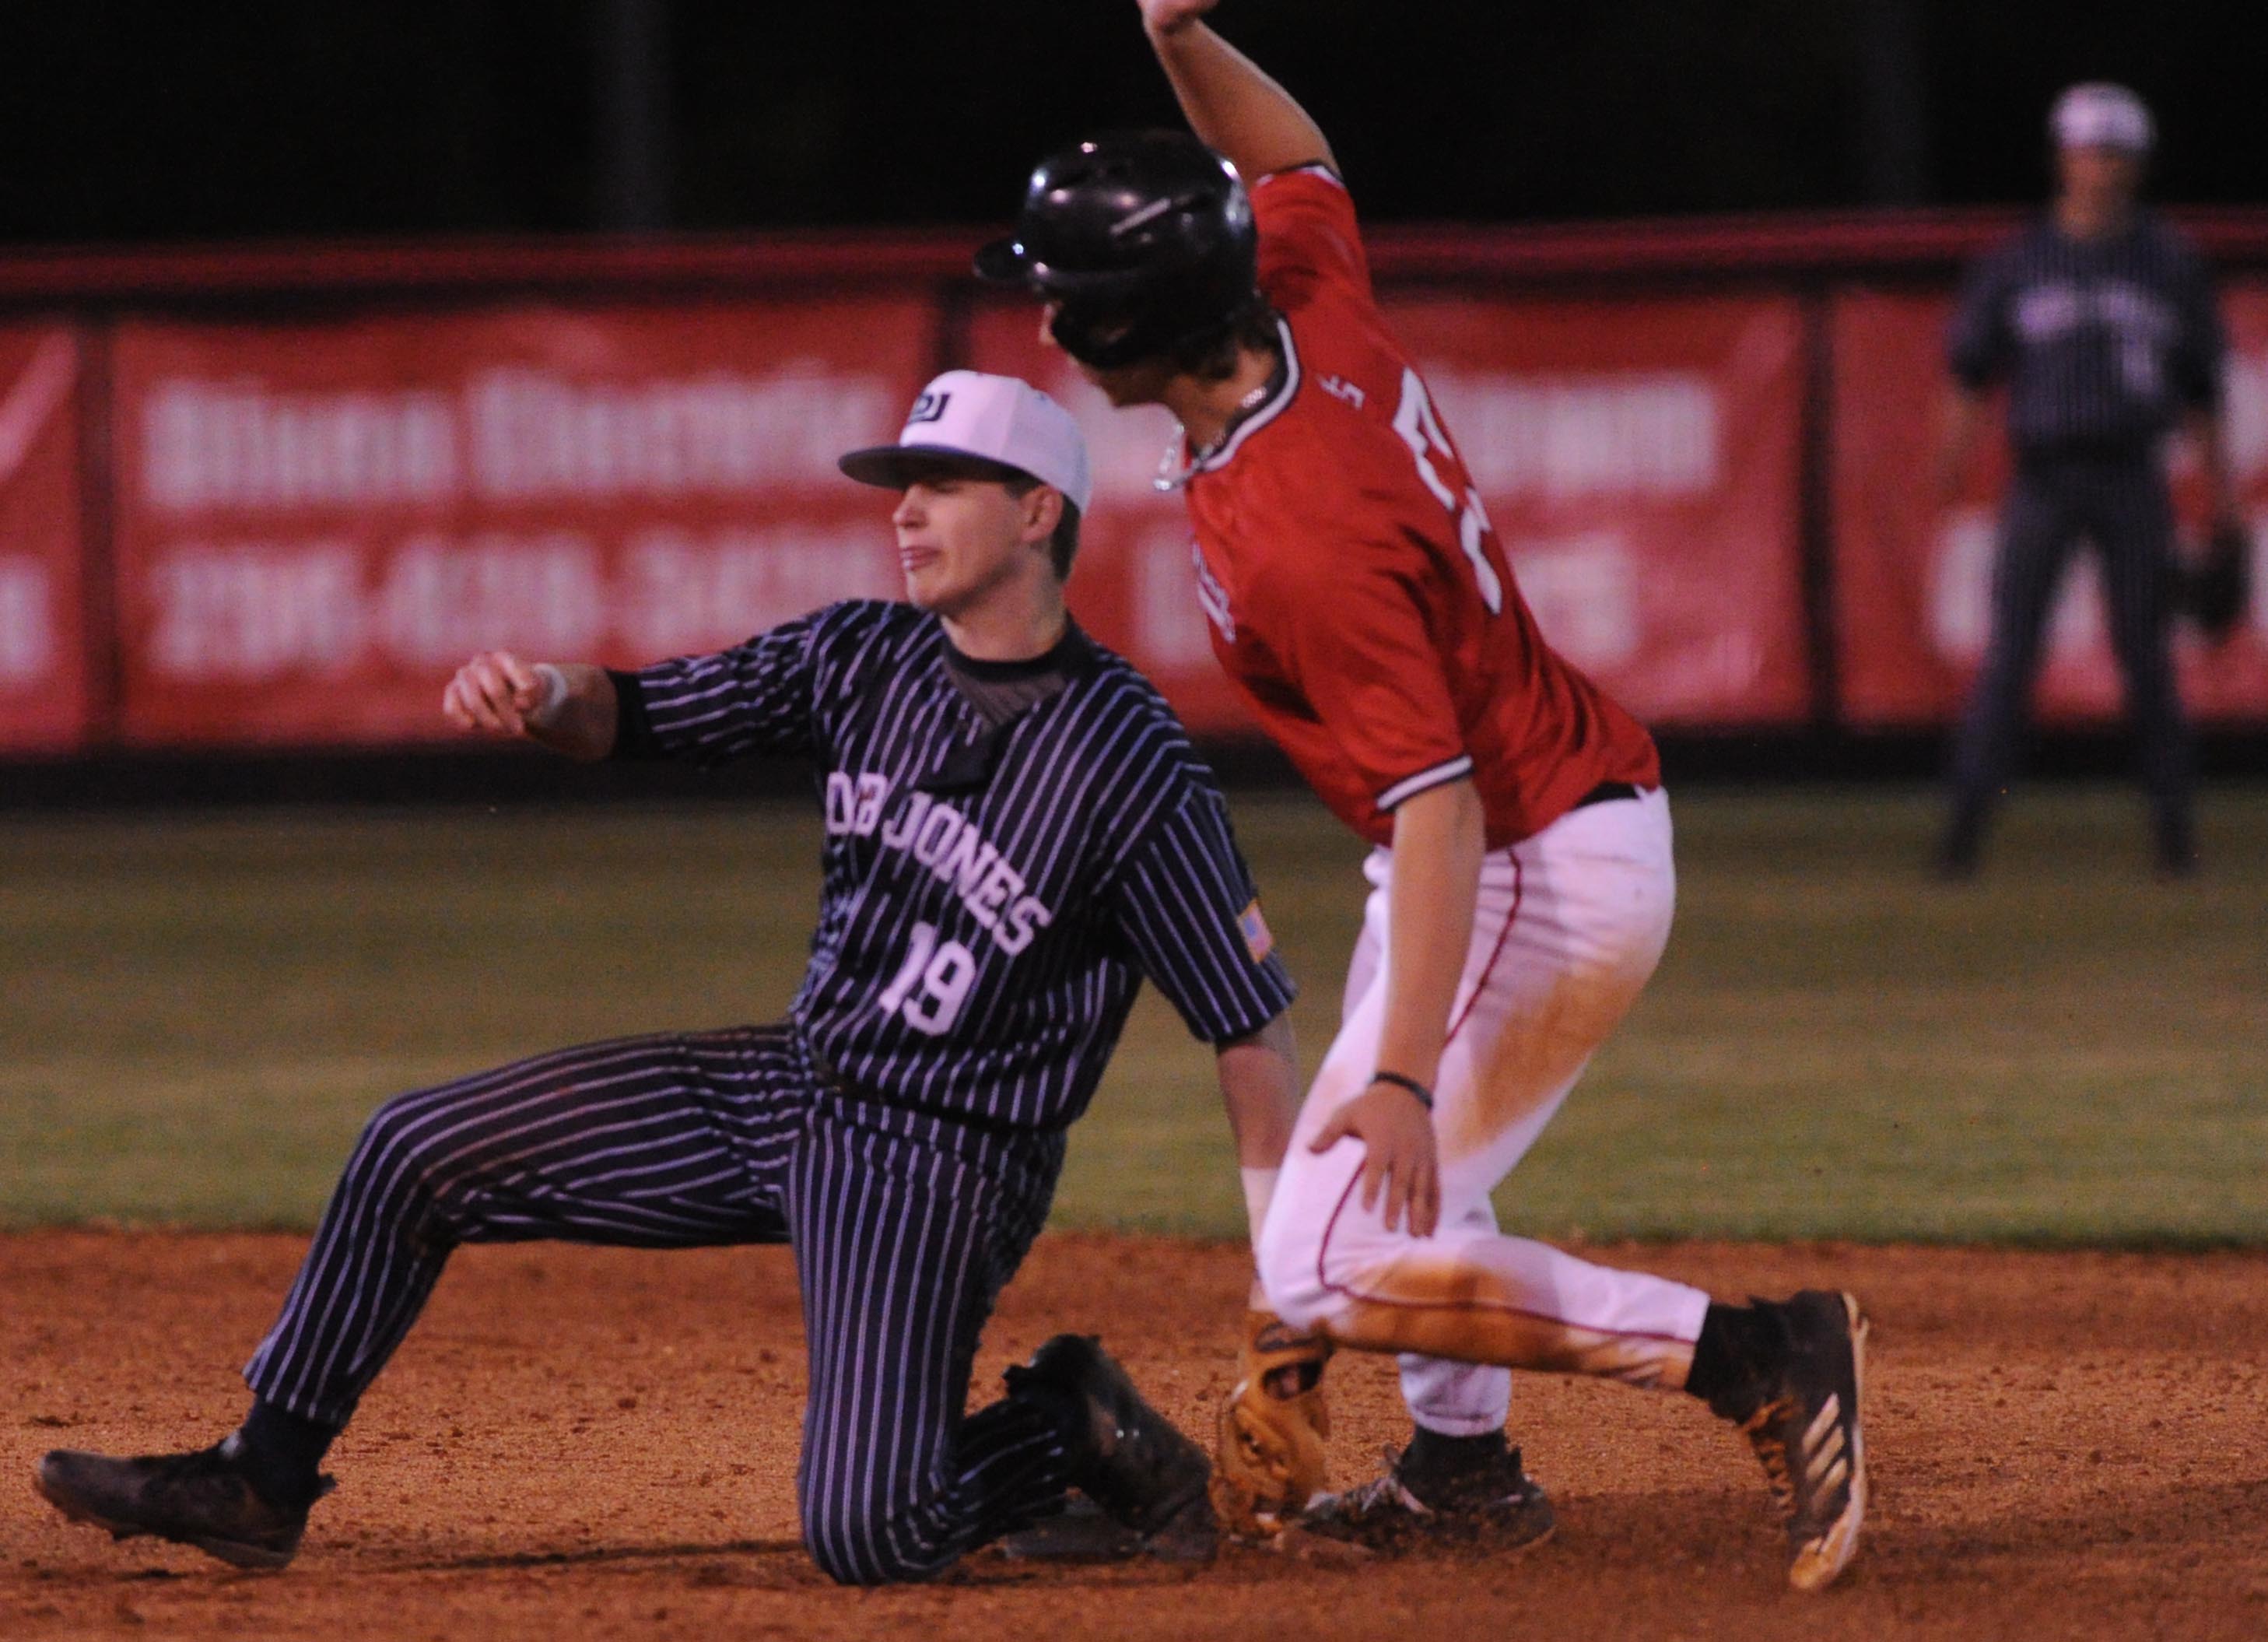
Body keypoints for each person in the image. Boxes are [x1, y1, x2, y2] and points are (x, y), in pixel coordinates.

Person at [33, 370, 1304, 1586]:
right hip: (793, 1083)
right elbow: (637, 713)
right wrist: (545, 696)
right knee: (413, 1146)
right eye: (899, 483)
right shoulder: (861, 657)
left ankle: (1066, 1426)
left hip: (946, 1157)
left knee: (873, 1532)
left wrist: (1288, 1295)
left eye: (944, 483)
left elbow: (1247, 1025)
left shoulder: (1128, 756)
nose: (904, 511)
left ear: (1037, 512)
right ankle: (259, 1481)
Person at [975, 0, 1868, 1592]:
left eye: (1059, 303)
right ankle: (1462, 1464)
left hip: (1528, 854)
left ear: (1130, 333)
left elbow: (1439, 810)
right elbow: (1296, 156)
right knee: (1375, 1215)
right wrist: (1178, 32)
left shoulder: (1293, 524)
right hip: (1515, 828)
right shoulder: (1295, 298)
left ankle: (1755, 1355)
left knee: (1327, 1250)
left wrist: (1392, 1075)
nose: (1041, 327)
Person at [1936, 82, 2236, 879]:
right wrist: (1947, 467)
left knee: (2147, 658)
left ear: (2134, 165)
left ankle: (2174, 839)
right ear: (2060, 159)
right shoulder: (2018, 262)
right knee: (2010, 659)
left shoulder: (2165, 262)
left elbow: (2201, 389)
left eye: (2113, 155)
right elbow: (1968, 373)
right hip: (2040, 478)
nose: (2098, 170)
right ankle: (1962, 834)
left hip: (2131, 476)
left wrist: (2222, 500)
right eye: (2085, 153)